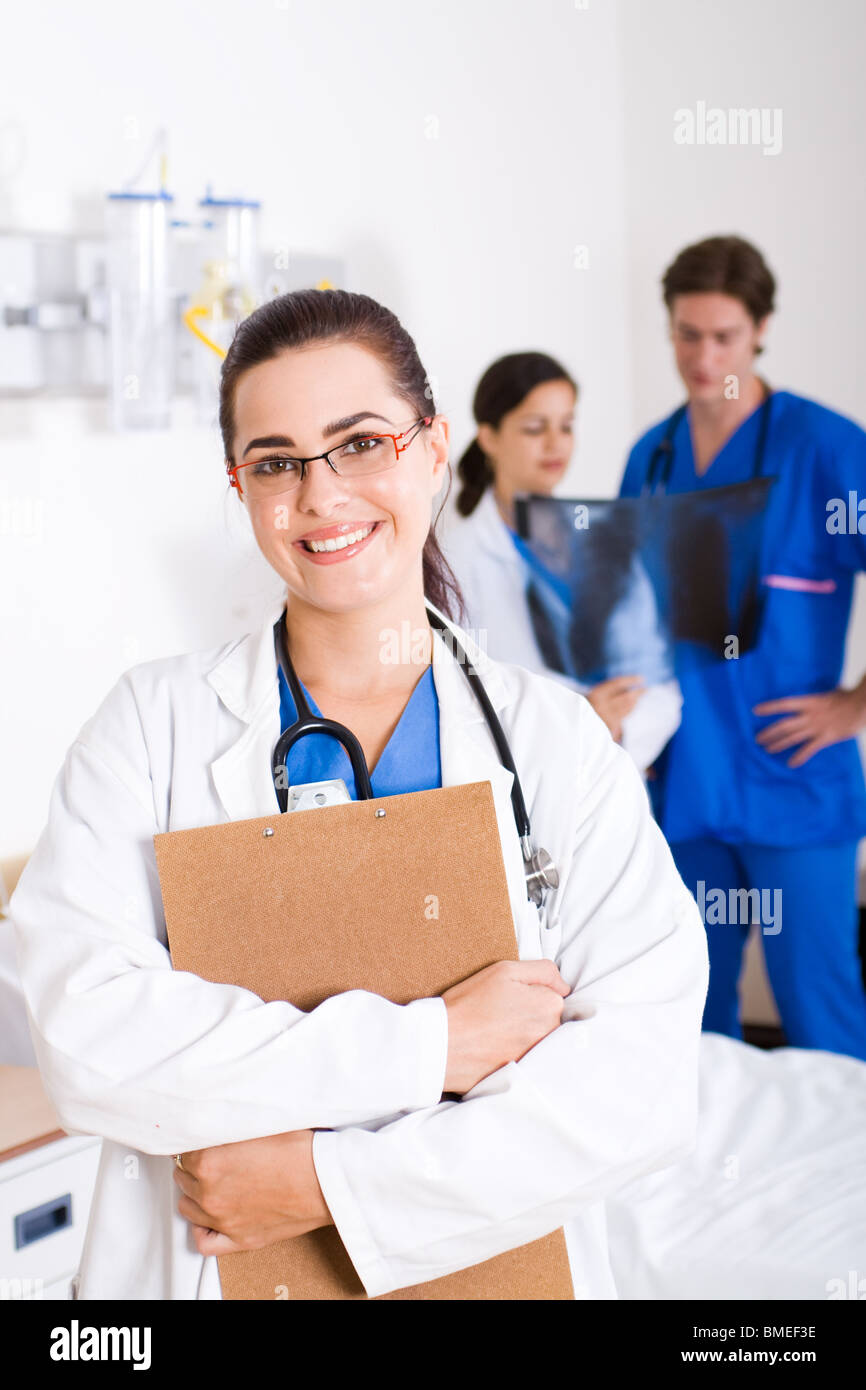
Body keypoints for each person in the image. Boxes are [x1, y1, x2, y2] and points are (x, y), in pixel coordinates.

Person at [11, 289, 708, 1301]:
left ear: (430, 451)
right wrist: (436, 1044)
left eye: (360, 443)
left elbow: (637, 1090)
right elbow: (86, 1041)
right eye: (276, 460)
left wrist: (324, 1184)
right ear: (240, 486)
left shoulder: (553, 743)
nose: (321, 493)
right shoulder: (150, 729)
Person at [620, 234, 866, 1062]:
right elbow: (621, 611)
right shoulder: (651, 459)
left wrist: (856, 703)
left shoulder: (827, 450)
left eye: (723, 336)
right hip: (685, 783)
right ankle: (713, 1191)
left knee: (822, 1019)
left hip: (792, 778)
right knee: (690, 1024)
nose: (703, 356)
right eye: (687, 334)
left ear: (760, 331)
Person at [441, 352, 683, 771]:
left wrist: (617, 731)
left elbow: (661, 686)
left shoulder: (606, 542)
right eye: (535, 428)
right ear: (488, 437)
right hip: (523, 787)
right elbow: (457, 702)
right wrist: (581, 714)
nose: (556, 444)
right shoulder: (453, 558)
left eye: (566, 426)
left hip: (610, 774)